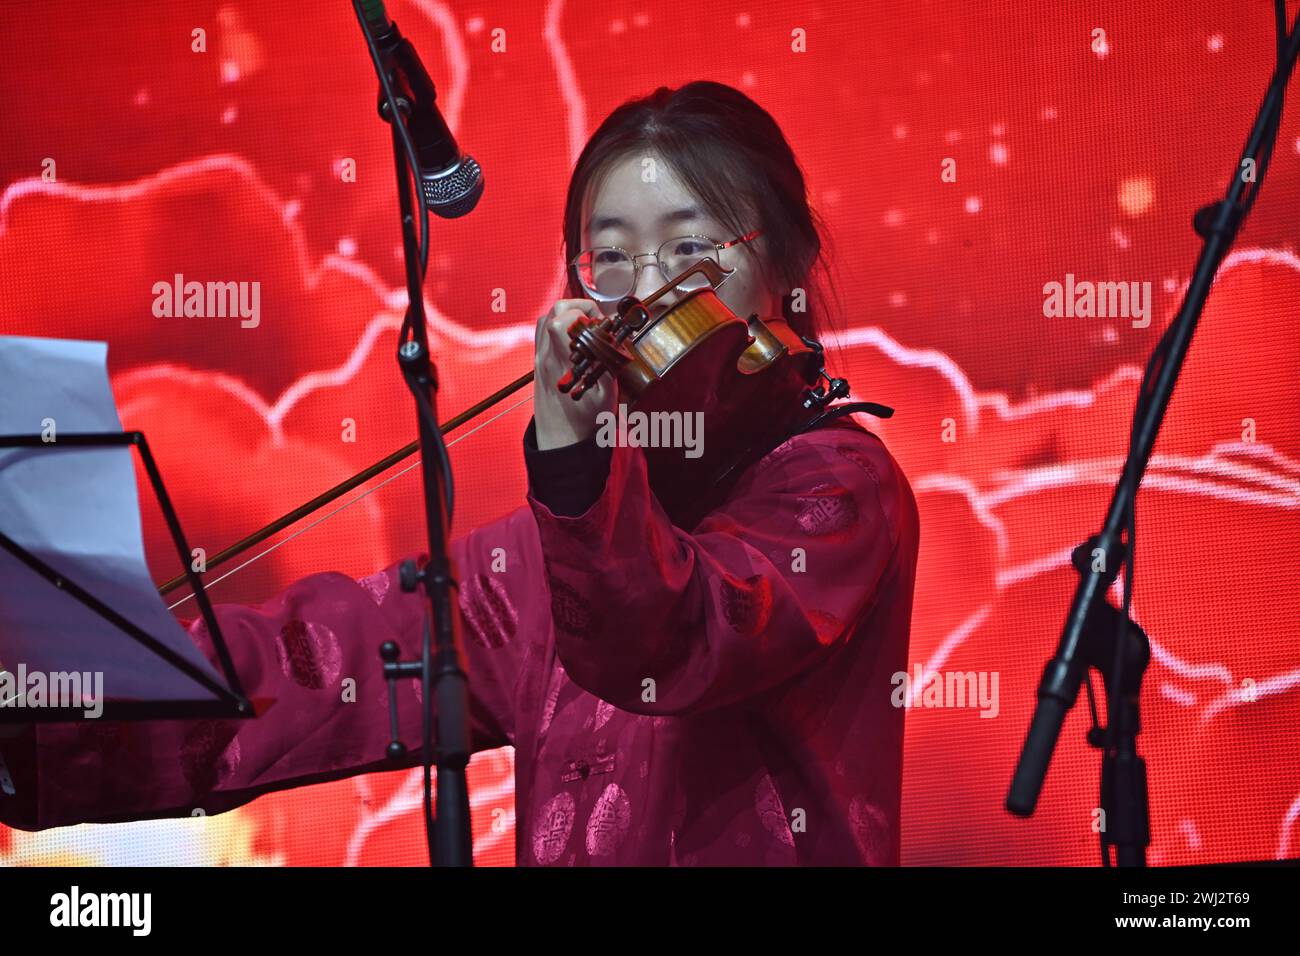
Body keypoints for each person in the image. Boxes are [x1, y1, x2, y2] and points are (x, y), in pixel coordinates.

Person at [0, 81, 919, 865]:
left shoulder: (837, 491)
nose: (646, 290)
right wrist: (47, 691)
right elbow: (320, 665)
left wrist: (573, 467)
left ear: (788, 266)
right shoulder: (556, 549)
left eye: (689, 249)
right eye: (610, 258)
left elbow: (667, 642)